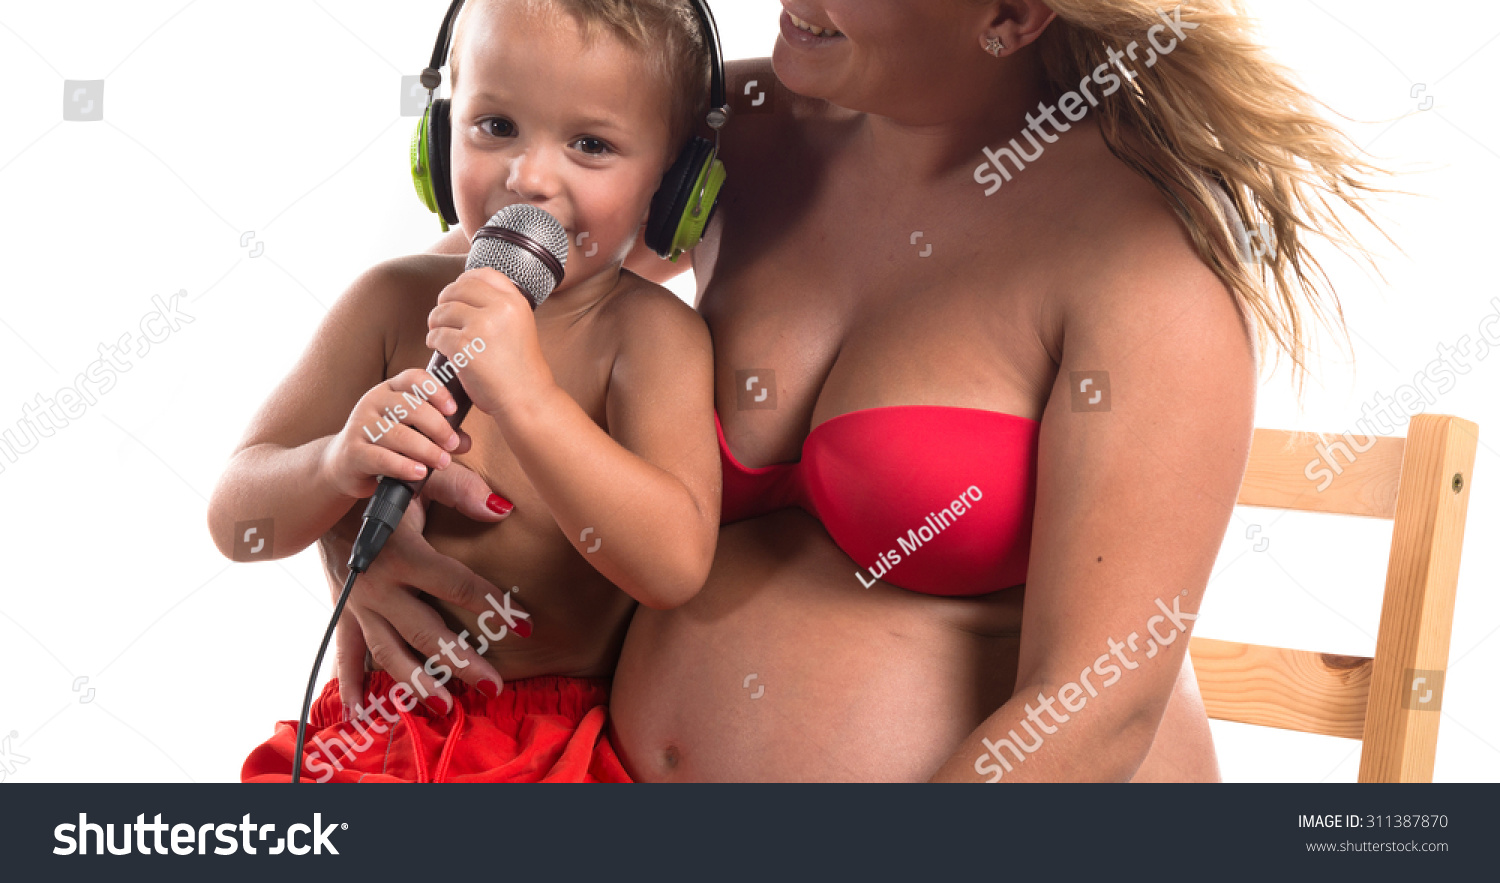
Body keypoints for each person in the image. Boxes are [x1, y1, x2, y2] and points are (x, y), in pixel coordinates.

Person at [321, 0, 1388, 781]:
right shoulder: (737, 132)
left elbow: (1098, 704)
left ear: (1011, 17)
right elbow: (475, 314)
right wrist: (353, 549)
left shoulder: (1145, 264)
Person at [210, 0, 723, 782]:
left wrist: (530, 398)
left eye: (591, 144)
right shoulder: (388, 301)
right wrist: (331, 465)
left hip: (548, 749)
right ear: (439, 130)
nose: (529, 175)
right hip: (372, 732)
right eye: (496, 126)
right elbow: (236, 517)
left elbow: (674, 564)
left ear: (674, 179)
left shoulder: (651, 340)